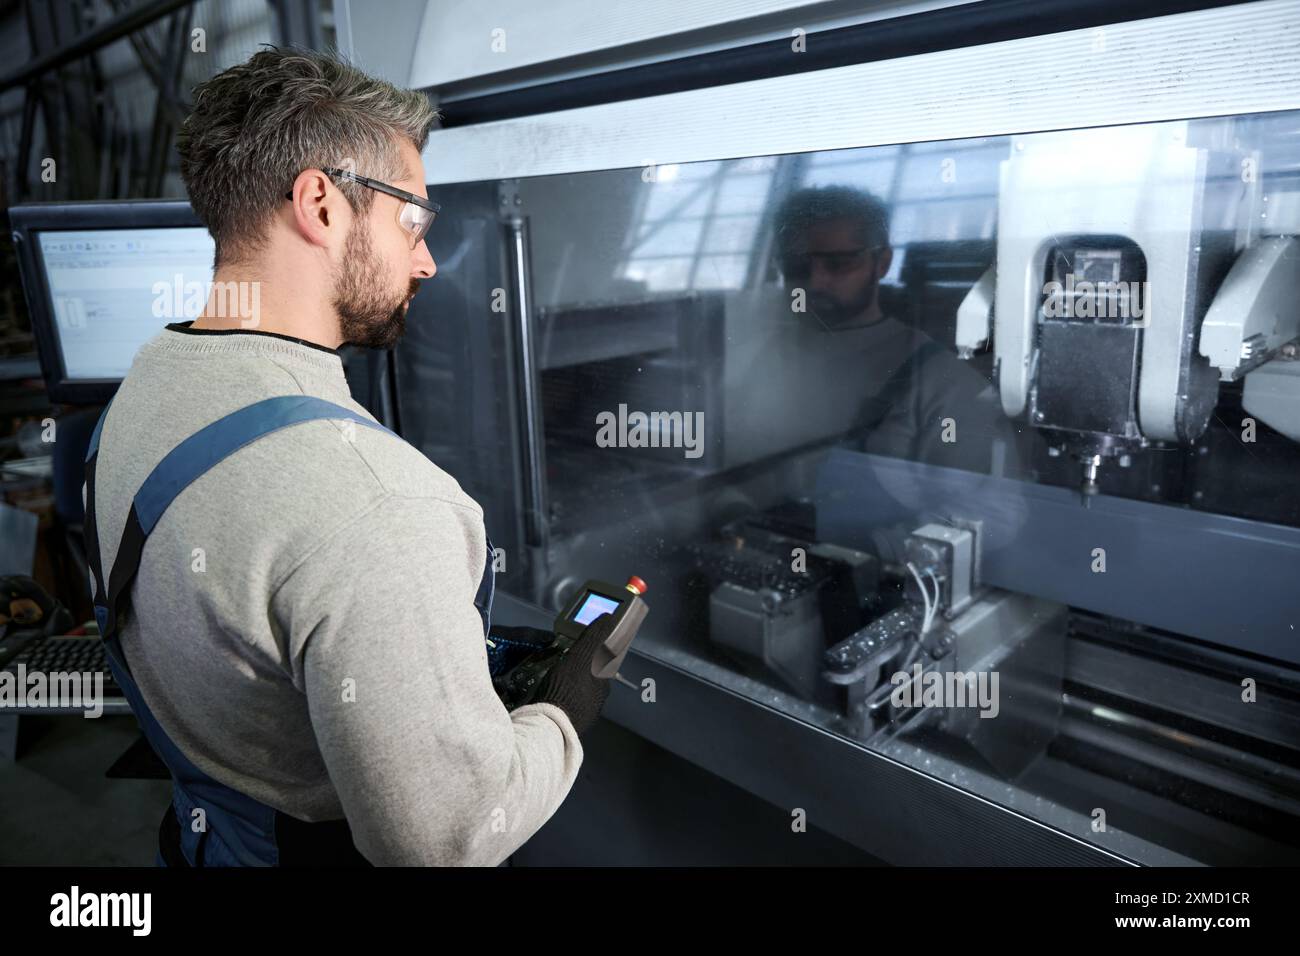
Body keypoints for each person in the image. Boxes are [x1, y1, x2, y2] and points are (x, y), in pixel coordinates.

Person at [84, 46, 610, 867]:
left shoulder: (146, 388)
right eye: (414, 220)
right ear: (321, 205)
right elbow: (443, 841)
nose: (427, 260)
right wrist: (562, 714)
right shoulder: (378, 505)